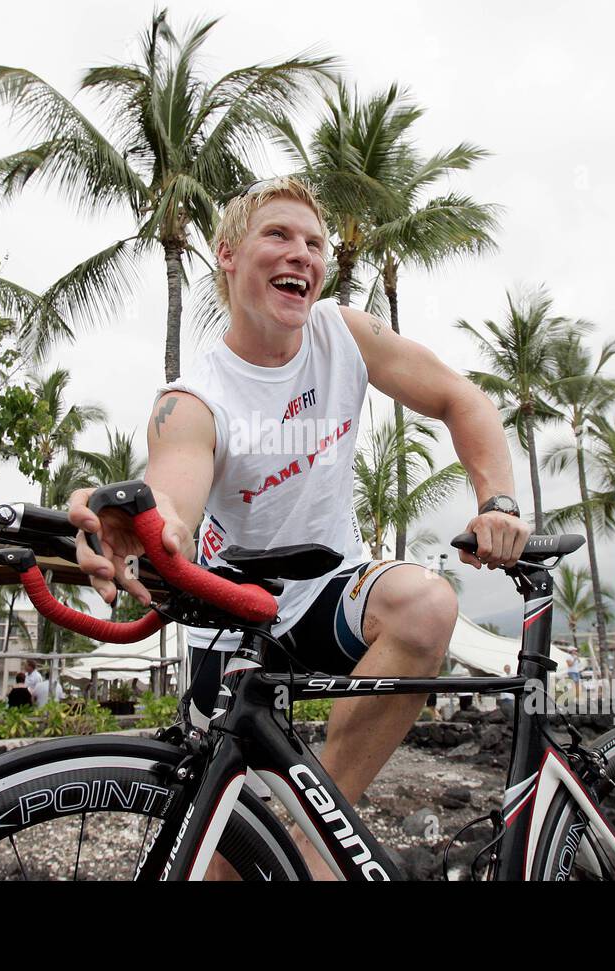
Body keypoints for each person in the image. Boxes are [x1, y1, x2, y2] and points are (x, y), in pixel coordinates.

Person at [66, 176, 530, 880]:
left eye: (314, 242)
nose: (303, 253)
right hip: (232, 615)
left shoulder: (344, 335)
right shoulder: (194, 400)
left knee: (427, 601)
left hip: (326, 592)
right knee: (225, 859)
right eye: (278, 236)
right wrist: (137, 527)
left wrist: (497, 500)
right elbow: (174, 501)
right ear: (226, 254)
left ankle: (315, 845)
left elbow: (460, 398)